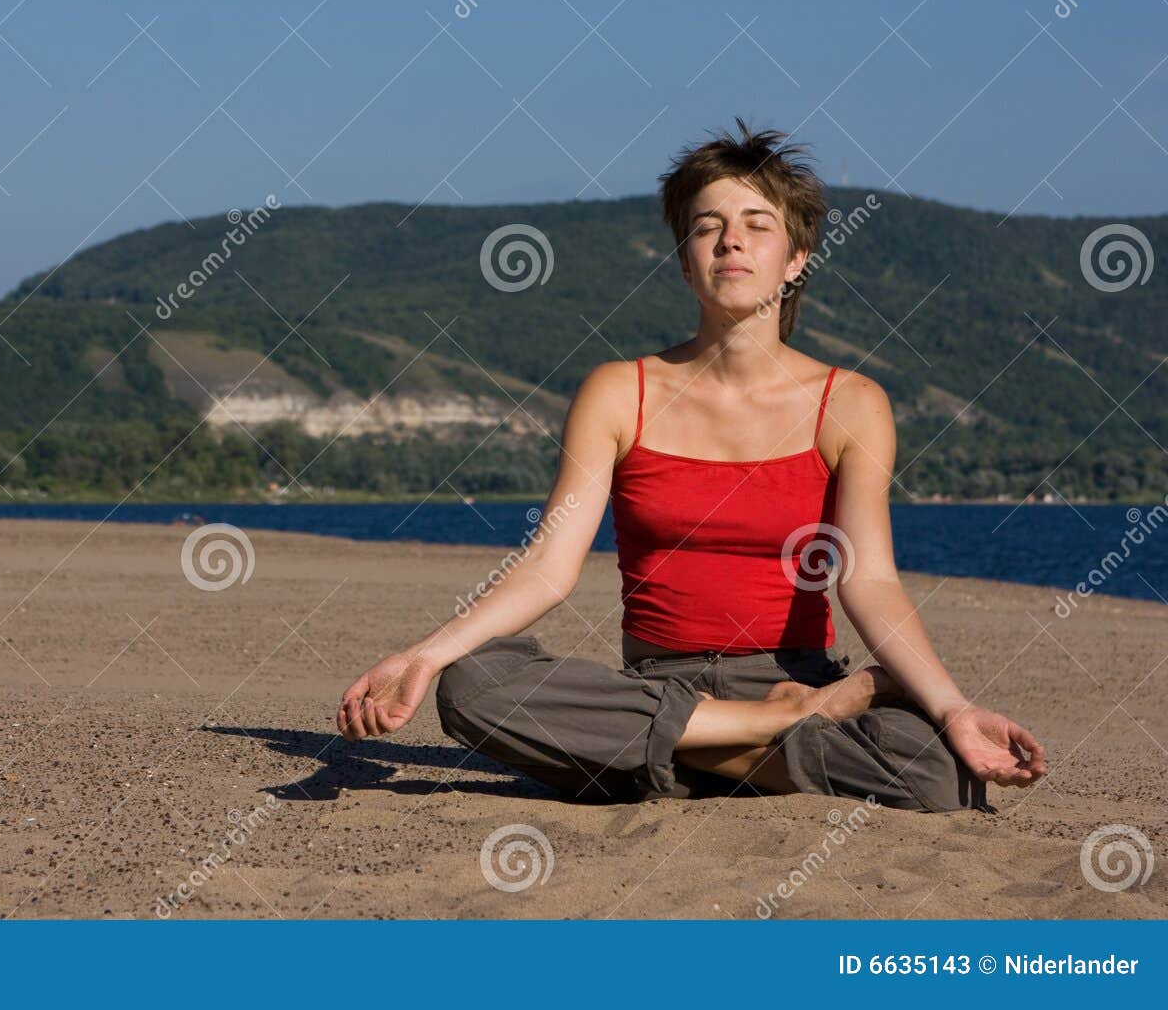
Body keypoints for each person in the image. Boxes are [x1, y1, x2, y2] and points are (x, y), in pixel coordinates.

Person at [335, 119, 1047, 811]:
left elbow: (873, 581)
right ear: (684, 258)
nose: (731, 238)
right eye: (708, 225)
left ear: (796, 259)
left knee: (938, 772)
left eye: (757, 224)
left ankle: (682, 757)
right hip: (665, 688)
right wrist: (424, 655)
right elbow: (550, 567)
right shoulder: (619, 392)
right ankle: (756, 739)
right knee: (476, 683)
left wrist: (952, 707)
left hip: (781, 674)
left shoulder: (851, 404)